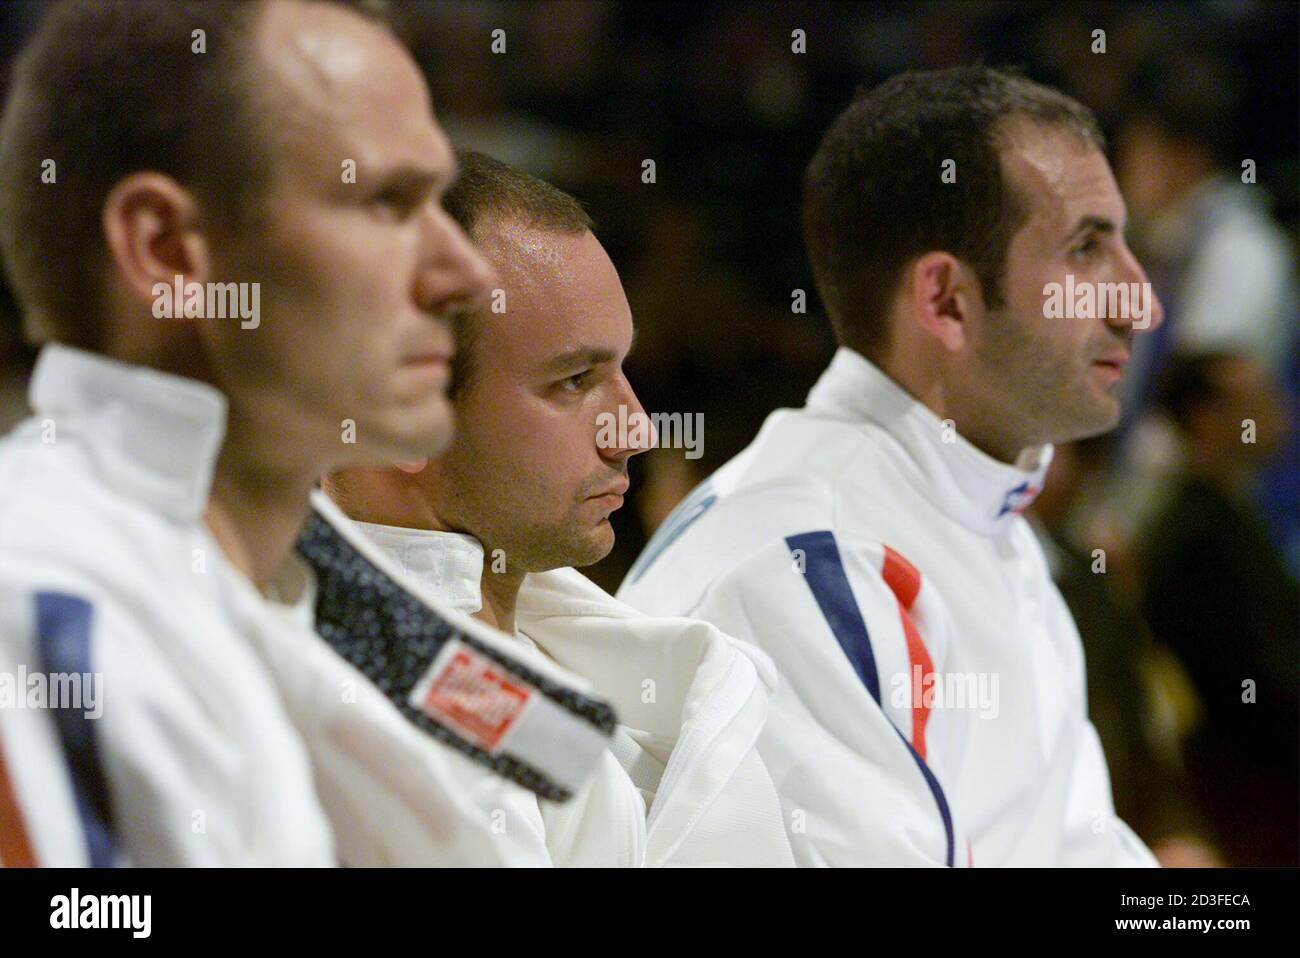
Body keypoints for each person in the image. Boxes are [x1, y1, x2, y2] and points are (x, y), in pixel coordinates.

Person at [0, 0, 609, 867]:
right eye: (389, 204)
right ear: (168, 251)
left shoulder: (316, 597)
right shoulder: (47, 617)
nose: (464, 272)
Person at [619, 66, 1162, 866]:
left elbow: (1081, 852)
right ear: (945, 300)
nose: (1138, 301)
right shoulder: (809, 563)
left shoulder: (991, 519)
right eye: (1086, 249)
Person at [323, 151, 796, 866]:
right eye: (575, 380)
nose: (635, 428)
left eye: (622, 369)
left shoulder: (528, 650)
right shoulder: (426, 711)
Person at [1139, 350, 1298, 866]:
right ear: (1203, 417)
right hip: (1246, 806)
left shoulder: (1233, 513)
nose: (1278, 411)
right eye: (1254, 401)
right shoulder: (1193, 535)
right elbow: (1256, 684)